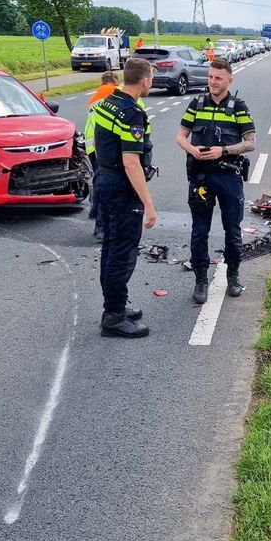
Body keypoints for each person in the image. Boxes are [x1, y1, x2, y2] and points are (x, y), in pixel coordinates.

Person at [175, 58, 255, 304]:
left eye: (218, 78)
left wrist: (224, 150)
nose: (212, 82)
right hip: (200, 177)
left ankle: (233, 277)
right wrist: (192, 149)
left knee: (232, 230)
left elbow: (250, 143)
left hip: (229, 177)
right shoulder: (197, 103)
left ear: (229, 80)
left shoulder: (238, 106)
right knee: (200, 231)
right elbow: (180, 136)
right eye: (210, 77)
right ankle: (201, 281)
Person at [89, 58, 159, 338]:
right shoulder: (131, 113)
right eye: (151, 79)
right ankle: (115, 317)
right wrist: (149, 204)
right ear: (144, 81)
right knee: (123, 252)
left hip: (103, 181)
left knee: (111, 247)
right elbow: (131, 162)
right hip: (121, 188)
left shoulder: (107, 103)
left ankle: (113, 306)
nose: (151, 83)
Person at [84, 72, 123, 237]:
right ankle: (101, 226)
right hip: (106, 145)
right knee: (110, 185)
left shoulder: (93, 98)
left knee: (99, 179)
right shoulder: (117, 94)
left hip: (92, 145)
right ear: (116, 82)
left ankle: (94, 209)